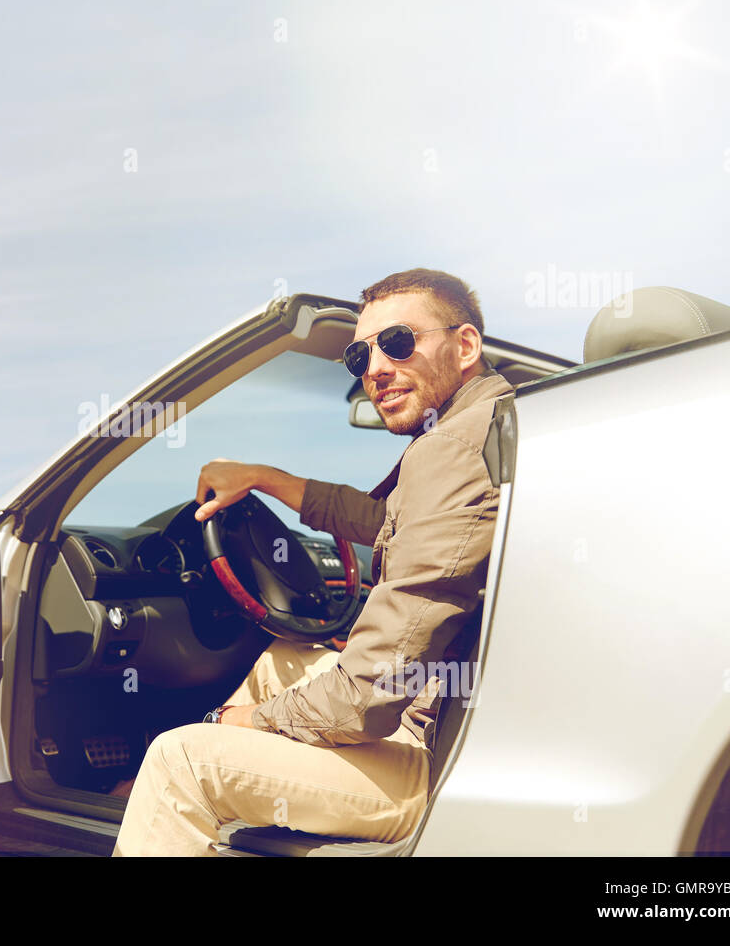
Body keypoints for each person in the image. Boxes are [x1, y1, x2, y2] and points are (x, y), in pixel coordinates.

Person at [111, 268, 515, 856]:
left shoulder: (452, 450)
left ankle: (177, 807)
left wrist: (230, 724)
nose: (375, 368)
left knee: (178, 759)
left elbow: (370, 695)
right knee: (282, 660)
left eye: (398, 342)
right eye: (360, 355)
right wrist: (265, 479)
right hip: (443, 712)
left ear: (465, 345)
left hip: (434, 760)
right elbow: (384, 523)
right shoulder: (485, 427)